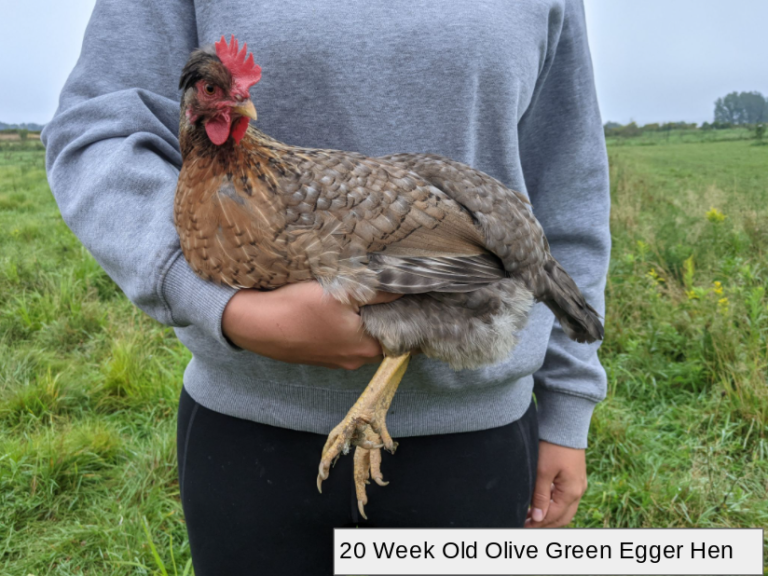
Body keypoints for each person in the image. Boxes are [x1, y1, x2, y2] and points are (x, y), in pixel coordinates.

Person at [43, 0, 610, 573]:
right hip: (247, 437)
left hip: (473, 440)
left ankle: (369, 411)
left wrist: (568, 406)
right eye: (219, 93)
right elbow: (99, 129)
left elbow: (566, 187)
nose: (240, 101)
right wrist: (223, 307)